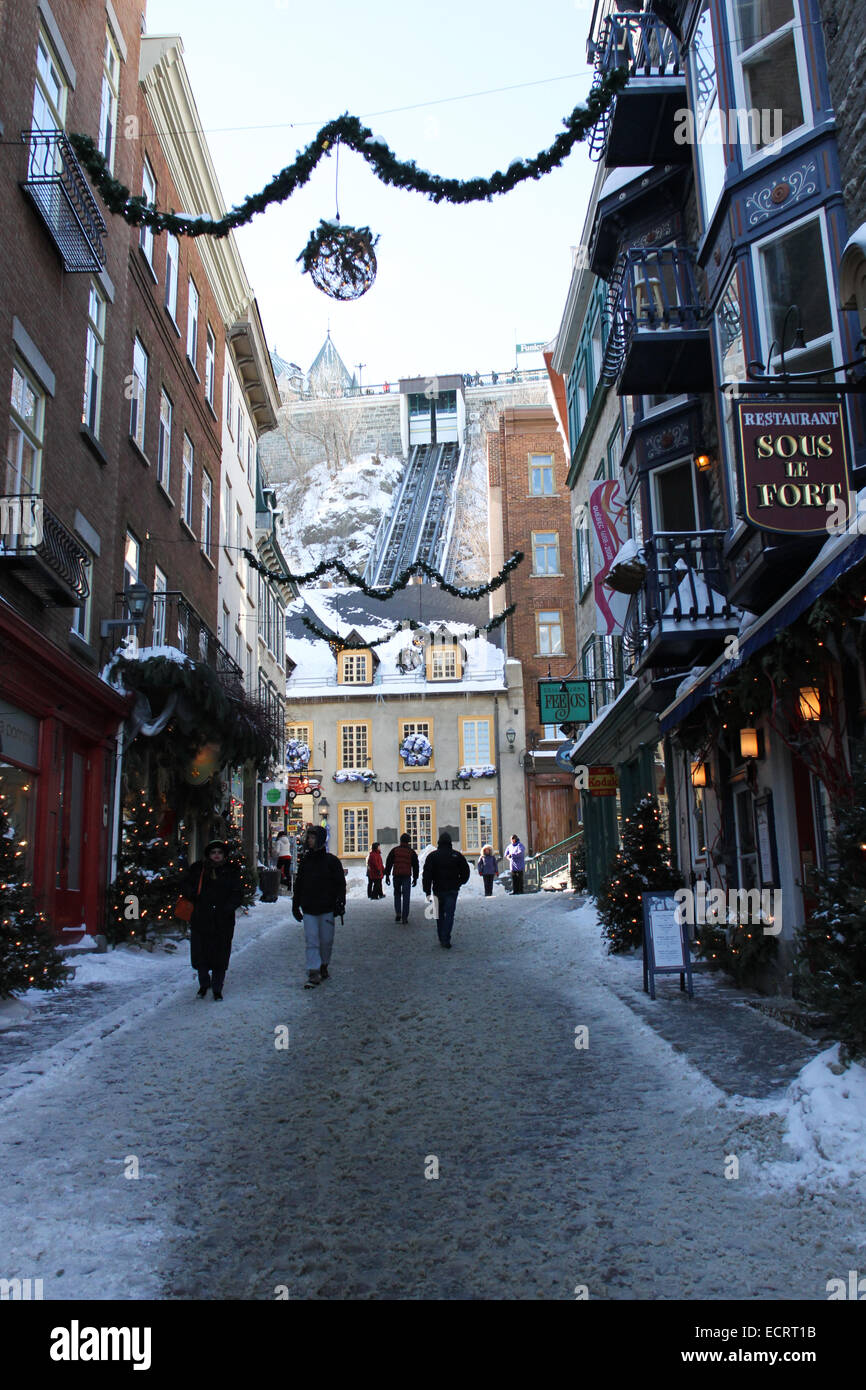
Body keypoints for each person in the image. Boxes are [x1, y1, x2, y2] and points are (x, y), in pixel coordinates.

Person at [182, 839, 244, 1000]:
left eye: (219, 853)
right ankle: (203, 984)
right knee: (200, 953)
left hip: (222, 919)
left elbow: (237, 892)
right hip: (201, 917)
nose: (216, 855)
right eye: (213, 852)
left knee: (220, 954)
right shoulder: (198, 870)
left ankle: (217, 987)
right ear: (209, 855)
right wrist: (194, 896)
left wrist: (227, 908)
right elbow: (187, 887)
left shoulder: (231, 871)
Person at [292, 824, 346, 988]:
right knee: (312, 940)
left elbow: (340, 884)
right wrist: (296, 904)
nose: (309, 840)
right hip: (309, 907)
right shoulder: (306, 861)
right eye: (309, 837)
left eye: (313, 837)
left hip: (327, 907)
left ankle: (323, 964)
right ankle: (313, 970)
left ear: (320, 839)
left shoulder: (331, 861)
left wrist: (340, 902)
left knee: (326, 940)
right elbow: (299, 884)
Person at [422, 831, 470, 948]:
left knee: (439, 914)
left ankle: (441, 936)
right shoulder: (457, 856)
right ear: (450, 843)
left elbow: (427, 875)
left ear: (439, 842)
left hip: (438, 889)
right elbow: (465, 872)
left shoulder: (432, 856)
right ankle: (446, 937)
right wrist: (459, 882)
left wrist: (427, 890)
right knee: (449, 914)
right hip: (452, 889)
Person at [385, 833, 419, 923]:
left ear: (400, 841)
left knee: (397, 894)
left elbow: (389, 863)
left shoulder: (395, 850)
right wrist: (415, 878)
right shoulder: (411, 852)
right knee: (406, 896)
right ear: (409, 841)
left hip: (396, 875)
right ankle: (405, 917)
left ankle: (398, 913)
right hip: (406, 876)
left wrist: (387, 875)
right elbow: (416, 865)